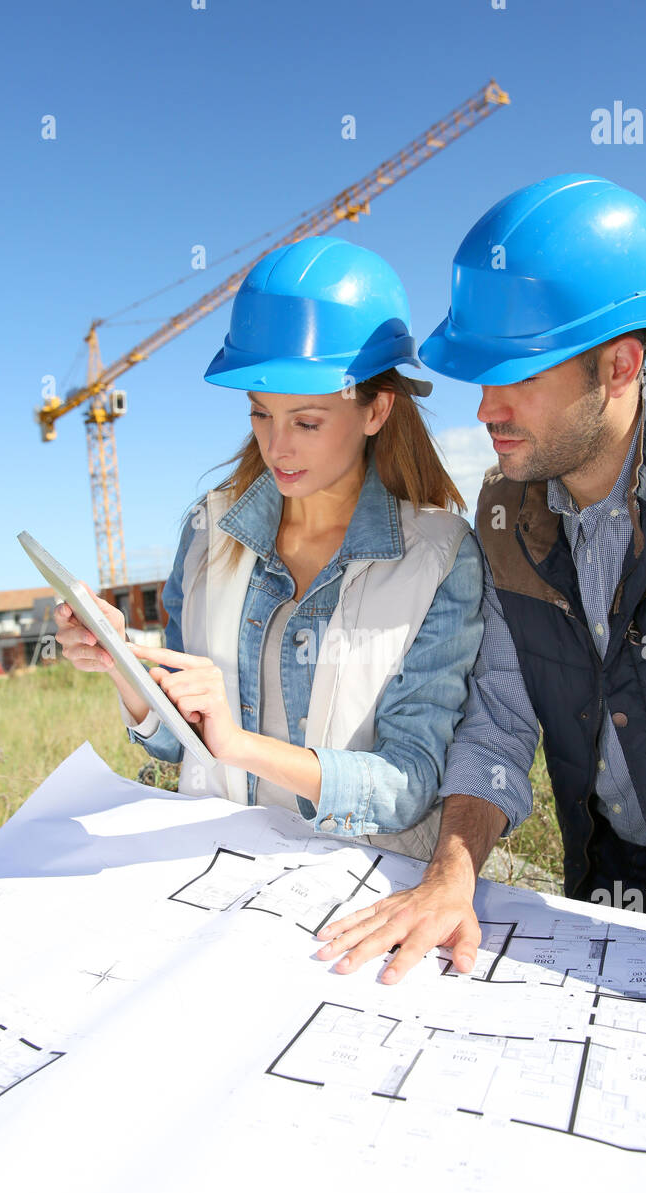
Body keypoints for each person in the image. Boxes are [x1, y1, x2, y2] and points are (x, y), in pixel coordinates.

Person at [312, 175, 646, 1160]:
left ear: (619, 364)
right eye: (478, 376)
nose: (486, 409)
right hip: (608, 900)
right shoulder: (505, 514)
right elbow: (495, 721)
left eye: (516, 374)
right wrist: (450, 875)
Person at [55, 235, 484, 861]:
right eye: (260, 415)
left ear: (375, 411)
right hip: (211, 875)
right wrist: (124, 666)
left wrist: (242, 746)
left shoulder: (441, 557)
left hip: (358, 887)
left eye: (306, 422)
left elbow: (409, 785)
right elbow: (176, 744)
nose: (277, 447)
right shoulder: (208, 532)